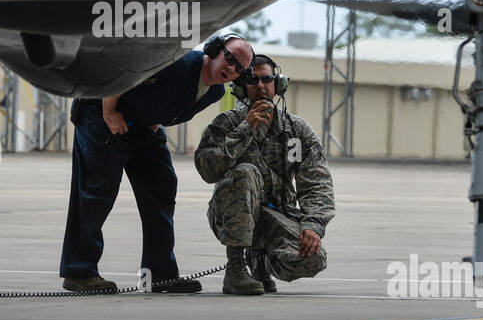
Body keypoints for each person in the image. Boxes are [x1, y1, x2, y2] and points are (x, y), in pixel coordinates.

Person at [59, 33, 256, 292]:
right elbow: (124, 71)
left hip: (141, 125)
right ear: (215, 50)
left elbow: (170, 103)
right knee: (97, 191)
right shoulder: (180, 63)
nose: (231, 69)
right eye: (229, 59)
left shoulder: (215, 92)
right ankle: (79, 271)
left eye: (239, 68)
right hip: (102, 111)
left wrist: (154, 116)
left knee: (162, 186)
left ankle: (160, 273)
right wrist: (109, 112)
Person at [193, 55, 335, 295]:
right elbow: (207, 170)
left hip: (275, 215)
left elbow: (317, 181)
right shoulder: (226, 124)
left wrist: (313, 224)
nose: (260, 86)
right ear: (241, 87)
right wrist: (246, 128)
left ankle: (260, 260)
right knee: (246, 172)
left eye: (266, 79)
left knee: (314, 259)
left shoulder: (296, 130)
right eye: (252, 80)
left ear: (278, 84)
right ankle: (236, 267)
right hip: (229, 215)